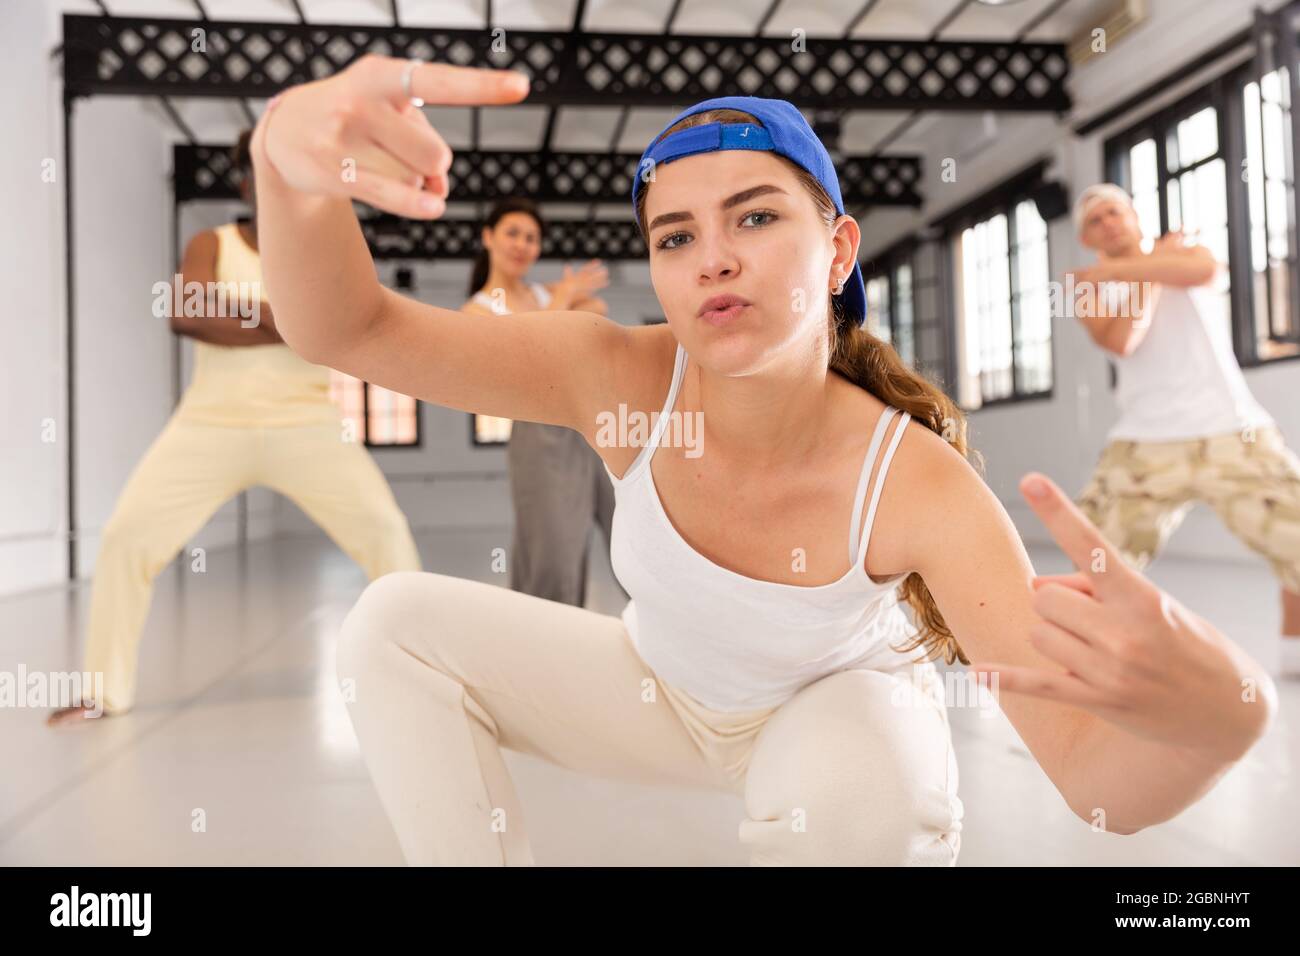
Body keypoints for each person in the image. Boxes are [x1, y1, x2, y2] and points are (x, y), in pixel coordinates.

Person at [248, 56, 1277, 865]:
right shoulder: (617, 377)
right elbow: (353, 327)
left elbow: (1090, 777)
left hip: (830, 723)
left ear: (837, 251)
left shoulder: (914, 481)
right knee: (393, 626)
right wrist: (285, 169)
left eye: (754, 215)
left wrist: (1220, 715)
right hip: (662, 692)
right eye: (675, 236)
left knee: (864, 788)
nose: (714, 260)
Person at [47, 131, 422, 725]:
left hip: (308, 425)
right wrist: (287, 319)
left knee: (387, 530)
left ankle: (422, 675)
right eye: (262, 171)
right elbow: (185, 311)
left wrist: (240, 310)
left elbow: (339, 331)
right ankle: (103, 690)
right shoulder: (211, 241)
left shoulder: (327, 252)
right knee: (126, 538)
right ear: (248, 183)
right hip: (209, 425)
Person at [1069, 183, 1300, 677]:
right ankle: (1091, 666)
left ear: (1134, 216)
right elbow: (1123, 340)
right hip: (1145, 443)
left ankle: (1293, 655)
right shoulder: (1090, 285)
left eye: (1115, 211)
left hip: (1231, 430)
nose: (1108, 222)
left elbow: (1202, 270)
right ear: (1087, 238)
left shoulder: (1185, 253)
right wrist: (1146, 269)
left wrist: (1133, 266)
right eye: (1095, 220)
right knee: (1097, 564)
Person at [460, 197, 623, 607]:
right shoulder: (476, 311)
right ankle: (545, 650)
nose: (522, 244)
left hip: (592, 421)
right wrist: (564, 297)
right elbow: (534, 356)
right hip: (540, 433)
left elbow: (597, 309)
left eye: (531, 238)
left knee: (630, 532)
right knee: (554, 554)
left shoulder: (540, 293)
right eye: (512, 233)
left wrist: (561, 299)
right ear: (488, 238)